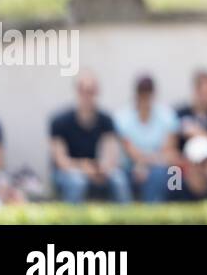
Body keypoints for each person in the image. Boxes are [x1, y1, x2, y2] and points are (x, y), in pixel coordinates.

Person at [49, 73, 131, 203]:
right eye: (83, 90)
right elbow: (61, 161)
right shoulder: (60, 122)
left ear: (97, 92)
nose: (87, 95)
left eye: (91, 91)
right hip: (69, 171)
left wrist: (101, 169)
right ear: (77, 91)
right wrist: (84, 167)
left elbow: (111, 155)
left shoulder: (106, 120)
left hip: (98, 170)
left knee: (119, 179)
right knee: (77, 181)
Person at [114, 74, 179, 203]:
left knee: (172, 174)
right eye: (142, 92)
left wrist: (146, 163)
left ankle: (154, 213)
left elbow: (168, 149)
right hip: (129, 167)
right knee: (118, 178)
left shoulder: (166, 116)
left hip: (158, 166)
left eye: (148, 93)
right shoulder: (122, 117)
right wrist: (142, 164)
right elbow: (129, 150)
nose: (145, 97)